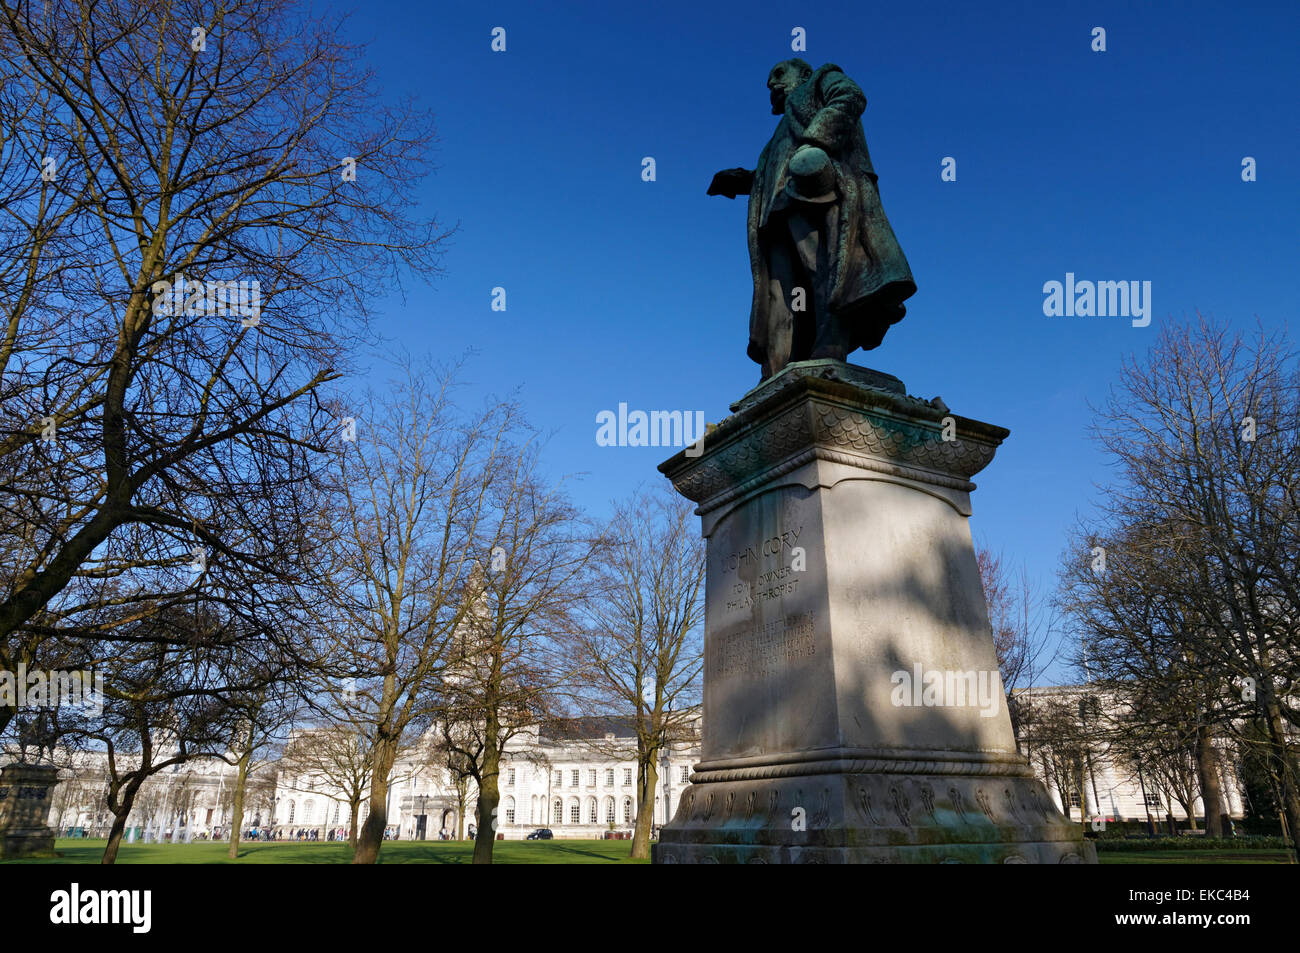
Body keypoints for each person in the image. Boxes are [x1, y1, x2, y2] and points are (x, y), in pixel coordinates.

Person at [708, 59, 916, 380]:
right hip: (775, 215)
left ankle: (830, 345)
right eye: (768, 83)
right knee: (783, 295)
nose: (772, 86)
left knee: (824, 272)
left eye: (778, 75)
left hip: (815, 198)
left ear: (803, 74)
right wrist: (743, 180)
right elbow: (775, 169)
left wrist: (815, 142)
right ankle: (777, 371)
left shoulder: (821, 80)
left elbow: (851, 97)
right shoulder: (776, 137)